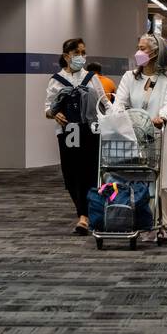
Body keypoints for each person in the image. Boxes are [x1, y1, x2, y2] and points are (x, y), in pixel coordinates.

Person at [113, 33, 167, 244]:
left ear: (155, 52)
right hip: (133, 134)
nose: (139, 52)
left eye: (143, 49)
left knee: (160, 181)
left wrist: (162, 117)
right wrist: (121, 117)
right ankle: (140, 221)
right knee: (137, 178)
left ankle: (160, 224)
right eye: (139, 47)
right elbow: (119, 102)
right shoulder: (129, 77)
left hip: (159, 133)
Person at [43, 38, 108, 235]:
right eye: (77, 53)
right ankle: (83, 212)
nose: (81, 57)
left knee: (88, 173)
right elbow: (47, 108)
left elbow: (103, 101)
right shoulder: (56, 80)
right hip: (67, 133)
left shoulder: (90, 77)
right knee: (71, 175)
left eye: (83, 52)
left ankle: (84, 216)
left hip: (90, 131)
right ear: (66, 56)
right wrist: (55, 113)